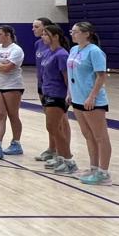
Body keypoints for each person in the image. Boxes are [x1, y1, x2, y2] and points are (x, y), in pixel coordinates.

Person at [67, 22, 112, 185]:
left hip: (92, 100)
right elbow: (72, 73)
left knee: (100, 136)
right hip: (77, 98)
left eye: (76, 32)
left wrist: (92, 96)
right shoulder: (73, 50)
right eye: (72, 31)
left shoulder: (95, 51)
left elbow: (101, 76)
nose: (72, 34)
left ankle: (104, 173)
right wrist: (69, 93)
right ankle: (93, 168)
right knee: (88, 135)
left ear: (87, 34)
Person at [38, 25, 75, 174]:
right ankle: (61, 157)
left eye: (46, 34)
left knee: (53, 127)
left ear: (55, 36)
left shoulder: (61, 55)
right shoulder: (47, 53)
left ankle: (69, 160)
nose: (43, 37)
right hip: (47, 93)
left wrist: (69, 95)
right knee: (54, 128)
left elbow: (67, 78)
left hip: (57, 94)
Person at [0, 25, 25, 159]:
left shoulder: (16, 50)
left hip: (12, 85)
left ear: (8, 35)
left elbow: (8, 67)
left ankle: (16, 143)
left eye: (0, 34)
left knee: (13, 115)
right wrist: (0, 66)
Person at [31, 17, 57, 161]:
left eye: (36, 26)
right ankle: (51, 148)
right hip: (42, 86)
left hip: (55, 88)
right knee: (49, 121)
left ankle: (61, 152)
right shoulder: (38, 44)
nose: (33, 29)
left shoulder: (57, 48)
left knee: (60, 122)